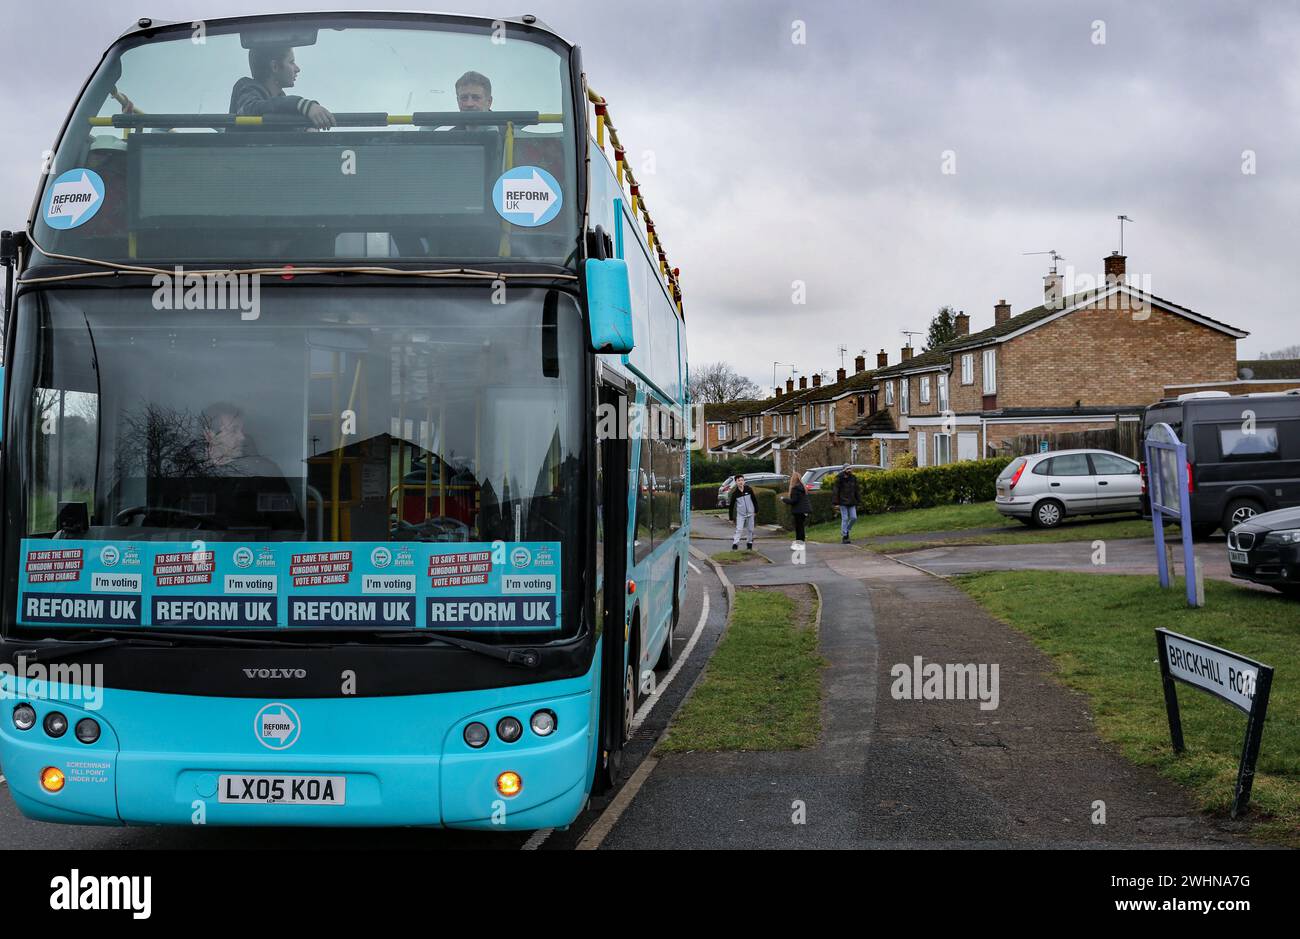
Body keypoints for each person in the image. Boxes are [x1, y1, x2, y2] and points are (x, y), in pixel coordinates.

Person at [229, 45, 335, 129]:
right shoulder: (246, 86)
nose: (297, 69)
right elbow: (249, 110)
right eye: (291, 62)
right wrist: (300, 104)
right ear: (275, 66)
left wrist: (306, 128)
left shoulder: (280, 101)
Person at [830, 468, 861, 544]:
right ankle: (845, 536)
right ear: (844, 470)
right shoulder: (839, 478)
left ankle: (847, 530)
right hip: (842, 502)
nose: (849, 470)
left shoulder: (853, 478)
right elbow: (836, 490)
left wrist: (859, 500)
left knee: (854, 517)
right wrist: (835, 502)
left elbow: (856, 490)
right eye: (847, 469)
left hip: (852, 501)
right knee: (845, 518)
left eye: (850, 468)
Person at [782, 472, 812, 550]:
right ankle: (801, 543)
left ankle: (799, 544)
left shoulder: (795, 489)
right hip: (804, 510)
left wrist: (784, 499)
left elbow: (794, 501)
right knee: (801, 527)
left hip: (798, 511)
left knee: (799, 528)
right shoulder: (802, 487)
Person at [728, 475, 758, 551]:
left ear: (744, 481)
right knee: (739, 529)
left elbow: (754, 500)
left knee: (750, 529)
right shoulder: (735, 493)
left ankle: (749, 544)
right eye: (739, 481)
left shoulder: (749, 489)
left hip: (750, 513)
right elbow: (731, 506)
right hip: (741, 514)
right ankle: (735, 545)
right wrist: (731, 518)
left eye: (742, 480)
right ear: (736, 482)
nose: (741, 482)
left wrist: (756, 510)